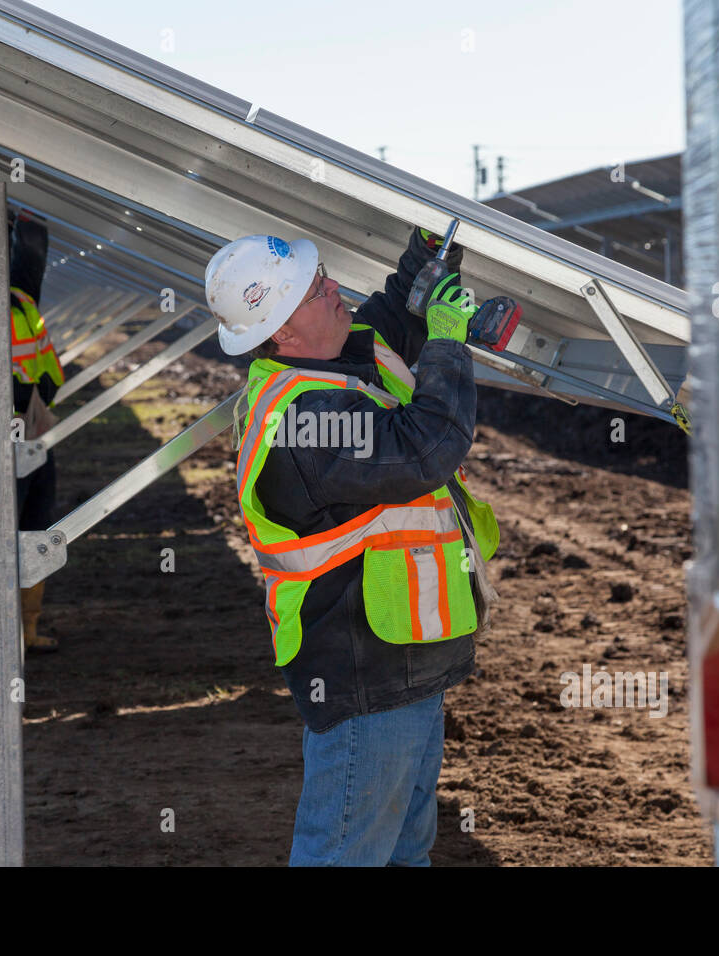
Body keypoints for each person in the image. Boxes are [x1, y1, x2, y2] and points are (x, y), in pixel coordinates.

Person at [205, 226, 500, 866]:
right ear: (280, 330)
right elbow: (426, 447)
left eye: (322, 275)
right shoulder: (305, 417)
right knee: (347, 855)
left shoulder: (328, 362)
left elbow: (388, 322)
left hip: (406, 656)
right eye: (315, 290)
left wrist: (424, 257)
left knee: (402, 854)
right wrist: (450, 343)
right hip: (365, 669)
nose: (334, 287)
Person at [8, 213, 64, 653]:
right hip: (5, 434)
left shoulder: (23, 305)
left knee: (36, 524)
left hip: (31, 427)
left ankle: (27, 627)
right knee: (9, 527)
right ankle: (6, 628)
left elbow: (42, 365)